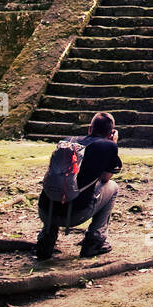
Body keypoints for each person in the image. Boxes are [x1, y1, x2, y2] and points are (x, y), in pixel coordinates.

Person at [35, 111, 122, 260]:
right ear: (111, 132)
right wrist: (113, 144)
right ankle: (94, 240)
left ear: (90, 128)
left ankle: (46, 238)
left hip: (45, 211)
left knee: (61, 185)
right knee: (113, 186)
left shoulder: (68, 141)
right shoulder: (108, 146)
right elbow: (105, 178)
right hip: (76, 215)